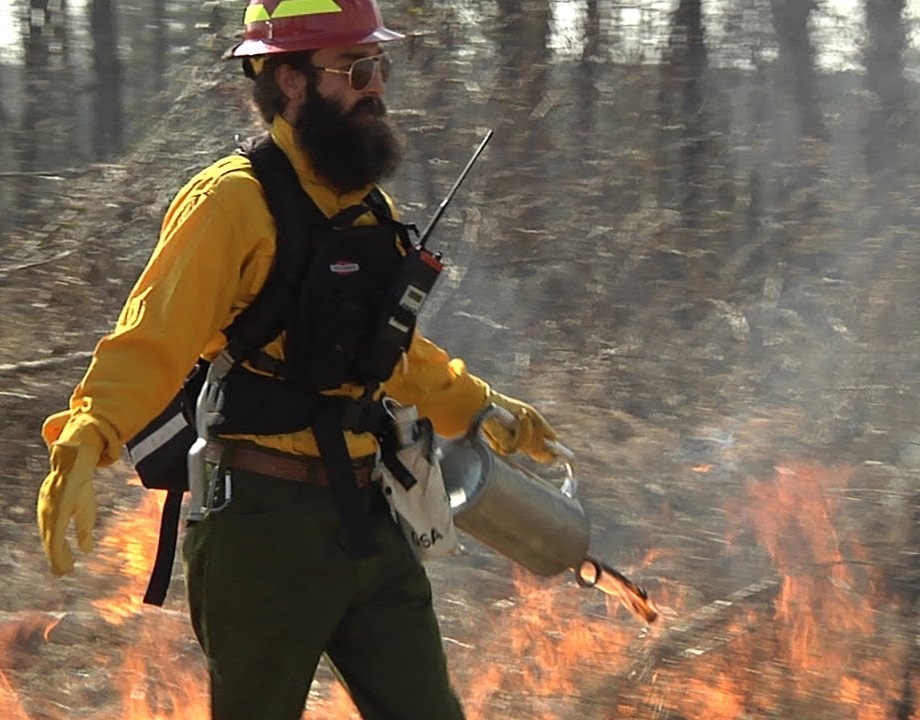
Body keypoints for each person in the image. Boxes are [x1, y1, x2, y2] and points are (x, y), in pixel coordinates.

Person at [34, 1, 561, 717]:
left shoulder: (365, 207)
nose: (377, 86)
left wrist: (477, 406)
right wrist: (86, 435)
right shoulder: (230, 202)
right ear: (290, 82)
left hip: (372, 516)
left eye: (379, 67)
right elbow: (153, 336)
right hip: (262, 527)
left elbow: (387, 351)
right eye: (357, 69)